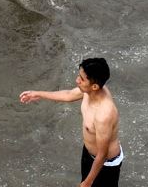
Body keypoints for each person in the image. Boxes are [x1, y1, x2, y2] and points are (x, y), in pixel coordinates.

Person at [18, 58, 119, 187]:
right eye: (79, 75)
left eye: (81, 79)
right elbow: (69, 94)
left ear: (94, 86)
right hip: (89, 154)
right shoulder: (90, 91)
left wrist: (87, 183)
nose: (77, 80)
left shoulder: (104, 115)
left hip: (106, 164)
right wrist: (38, 94)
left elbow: (102, 154)